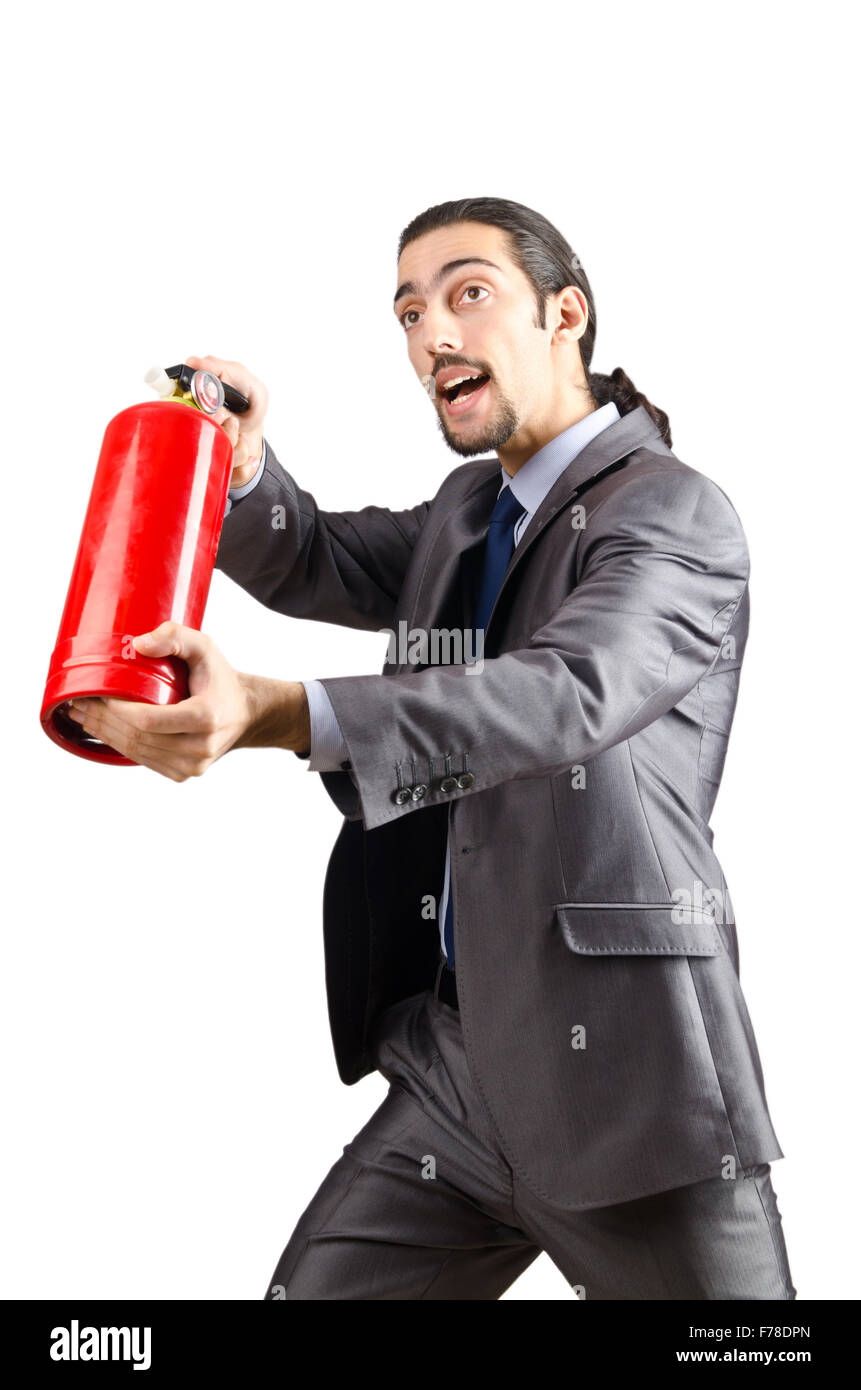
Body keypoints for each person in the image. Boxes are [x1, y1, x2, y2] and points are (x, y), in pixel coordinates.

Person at [66, 197, 795, 1300]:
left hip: (634, 1081)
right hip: (460, 1064)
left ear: (566, 313)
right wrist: (246, 468)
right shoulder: (470, 511)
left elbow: (561, 694)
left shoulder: (676, 517)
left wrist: (277, 713)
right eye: (407, 312)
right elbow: (320, 559)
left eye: (466, 293)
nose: (429, 335)